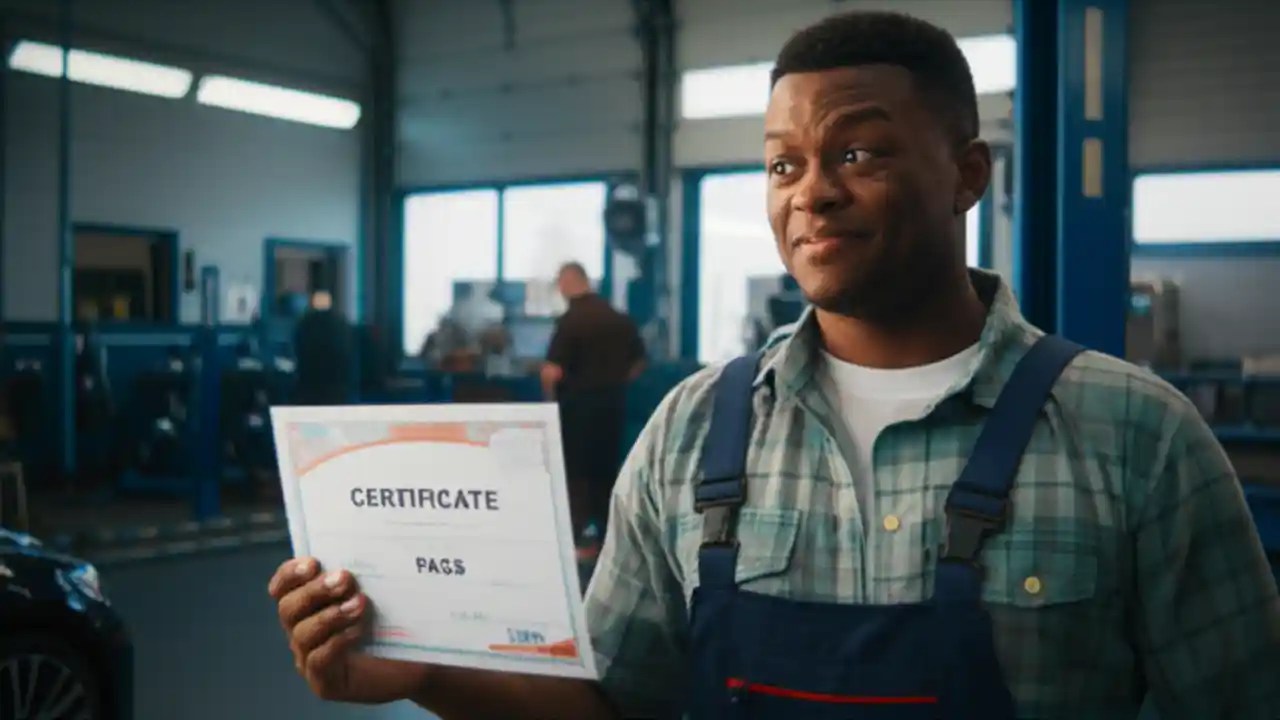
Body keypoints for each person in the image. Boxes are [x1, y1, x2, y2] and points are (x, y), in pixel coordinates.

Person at [267, 10, 1280, 719]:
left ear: (967, 173)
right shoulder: (691, 431)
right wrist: (417, 676)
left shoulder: (1134, 439)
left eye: (857, 153)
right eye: (781, 163)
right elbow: (612, 708)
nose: (810, 193)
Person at [541, 261, 646, 542]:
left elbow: (552, 372)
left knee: (576, 477)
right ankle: (607, 538)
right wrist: (617, 381)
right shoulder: (619, 319)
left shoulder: (570, 321)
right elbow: (639, 363)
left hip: (576, 411)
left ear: (566, 282)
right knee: (607, 473)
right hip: (613, 409)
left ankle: (576, 539)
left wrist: (550, 403)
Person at [292, 289, 353, 405]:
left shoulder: (306, 324)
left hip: (308, 389)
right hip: (338, 391)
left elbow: (298, 352)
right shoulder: (341, 324)